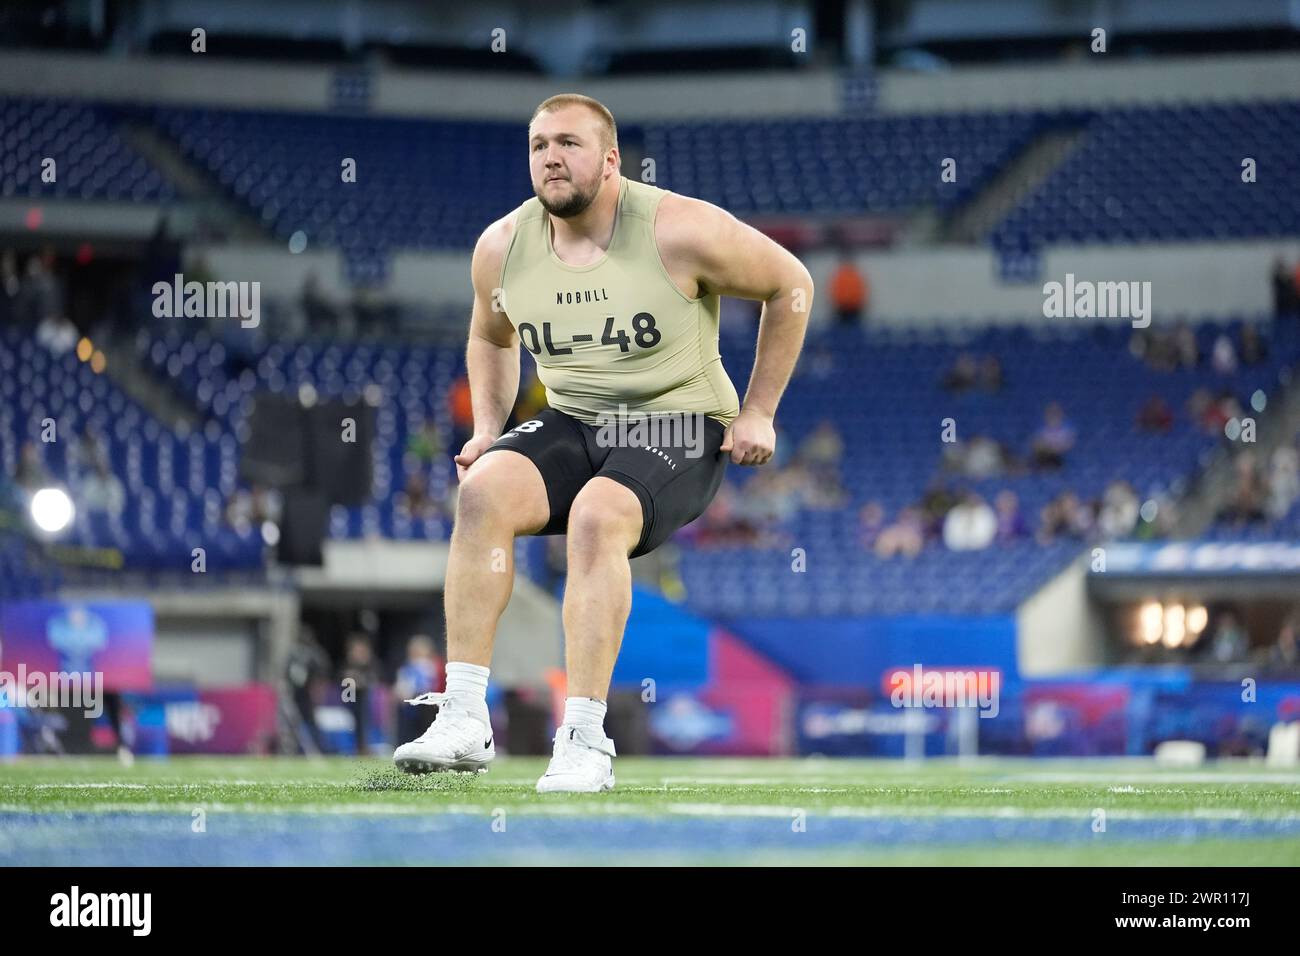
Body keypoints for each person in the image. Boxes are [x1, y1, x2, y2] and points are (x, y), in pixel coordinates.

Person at [392, 94, 813, 792]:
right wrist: (488, 432)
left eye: (569, 143)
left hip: (681, 422)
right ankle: (464, 717)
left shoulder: (678, 229)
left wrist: (760, 410)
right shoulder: (502, 247)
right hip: (578, 419)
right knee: (482, 492)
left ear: (611, 161)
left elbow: (790, 285)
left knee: (595, 516)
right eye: (539, 146)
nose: (552, 157)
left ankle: (585, 737)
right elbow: (489, 335)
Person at [828, 249, 867, 325]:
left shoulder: (852, 275)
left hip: (853, 308)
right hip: (843, 308)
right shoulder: (842, 275)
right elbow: (834, 291)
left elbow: (861, 291)